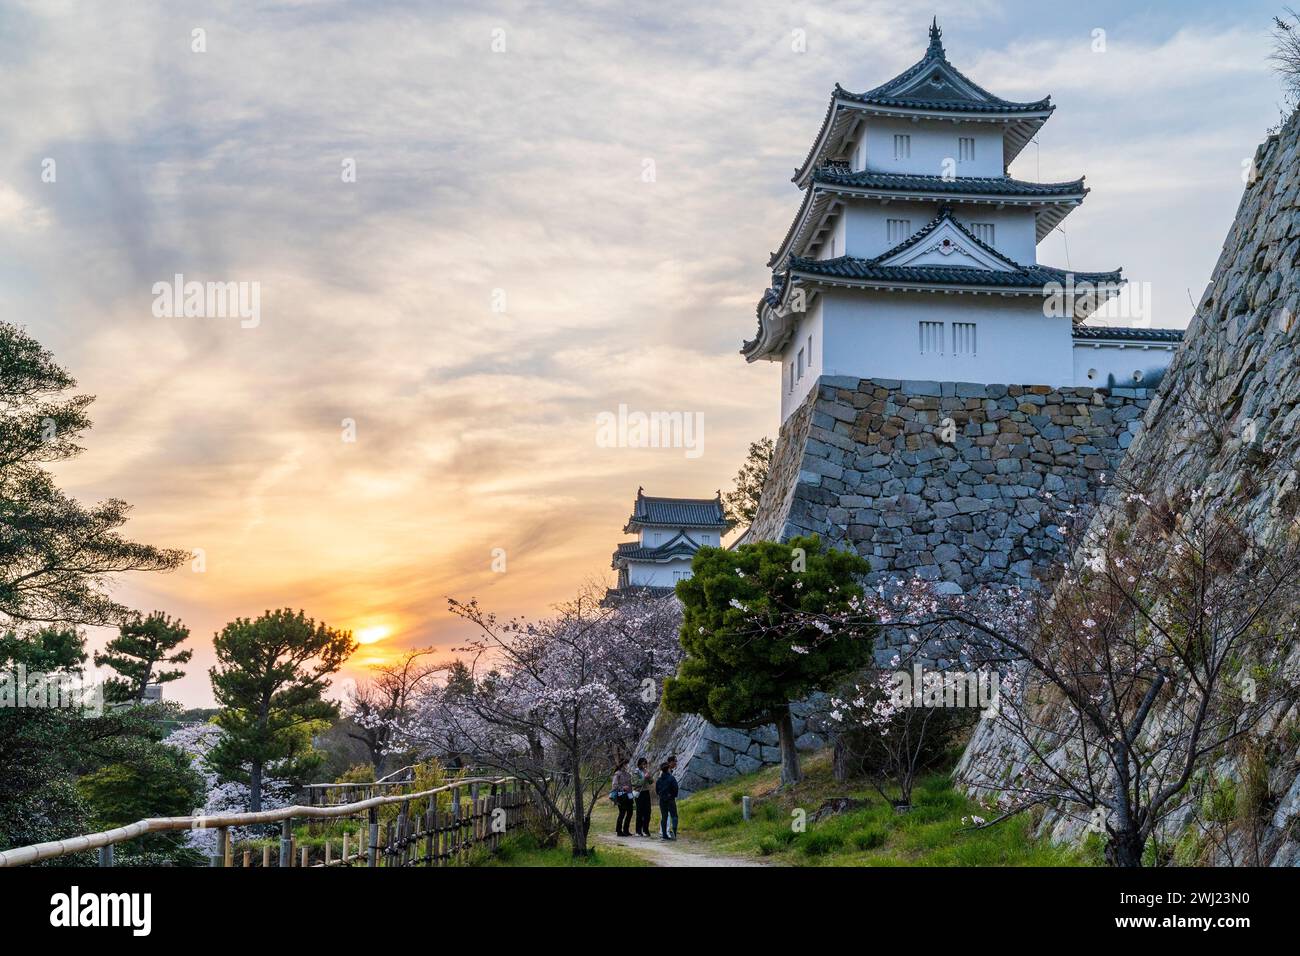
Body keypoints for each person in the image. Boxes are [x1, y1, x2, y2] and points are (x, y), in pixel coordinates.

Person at [656, 755, 679, 840]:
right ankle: (670, 832)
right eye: (675, 761)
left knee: (664, 816)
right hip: (669, 799)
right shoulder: (670, 777)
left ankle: (665, 833)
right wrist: (672, 795)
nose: (676, 763)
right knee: (673, 816)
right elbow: (675, 788)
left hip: (662, 799)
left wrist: (661, 795)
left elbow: (657, 789)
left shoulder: (660, 778)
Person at [632, 757, 654, 836]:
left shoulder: (646, 771)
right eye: (643, 764)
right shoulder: (636, 772)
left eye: (645, 764)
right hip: (639, 793)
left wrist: (649, 777)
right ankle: (638, 831)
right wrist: (644, 778)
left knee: (648, 812)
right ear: (639, 764)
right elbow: (635, 783)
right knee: (639, 812)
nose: (644, 765)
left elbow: (651, 782)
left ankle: (646, 830)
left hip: (646, 792)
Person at [611, 765, 635, 837]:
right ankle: (619, 831)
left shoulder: (628, 774)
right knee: (622, 813)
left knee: (630, 812)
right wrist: (622, 788)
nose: (627, 766)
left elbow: (631, 784)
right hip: (621, 796)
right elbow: (614, 785)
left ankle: (626, 830)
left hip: (629, 796)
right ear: (622, 765)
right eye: (626, 764)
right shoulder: (617, 774)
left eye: (628, 764)